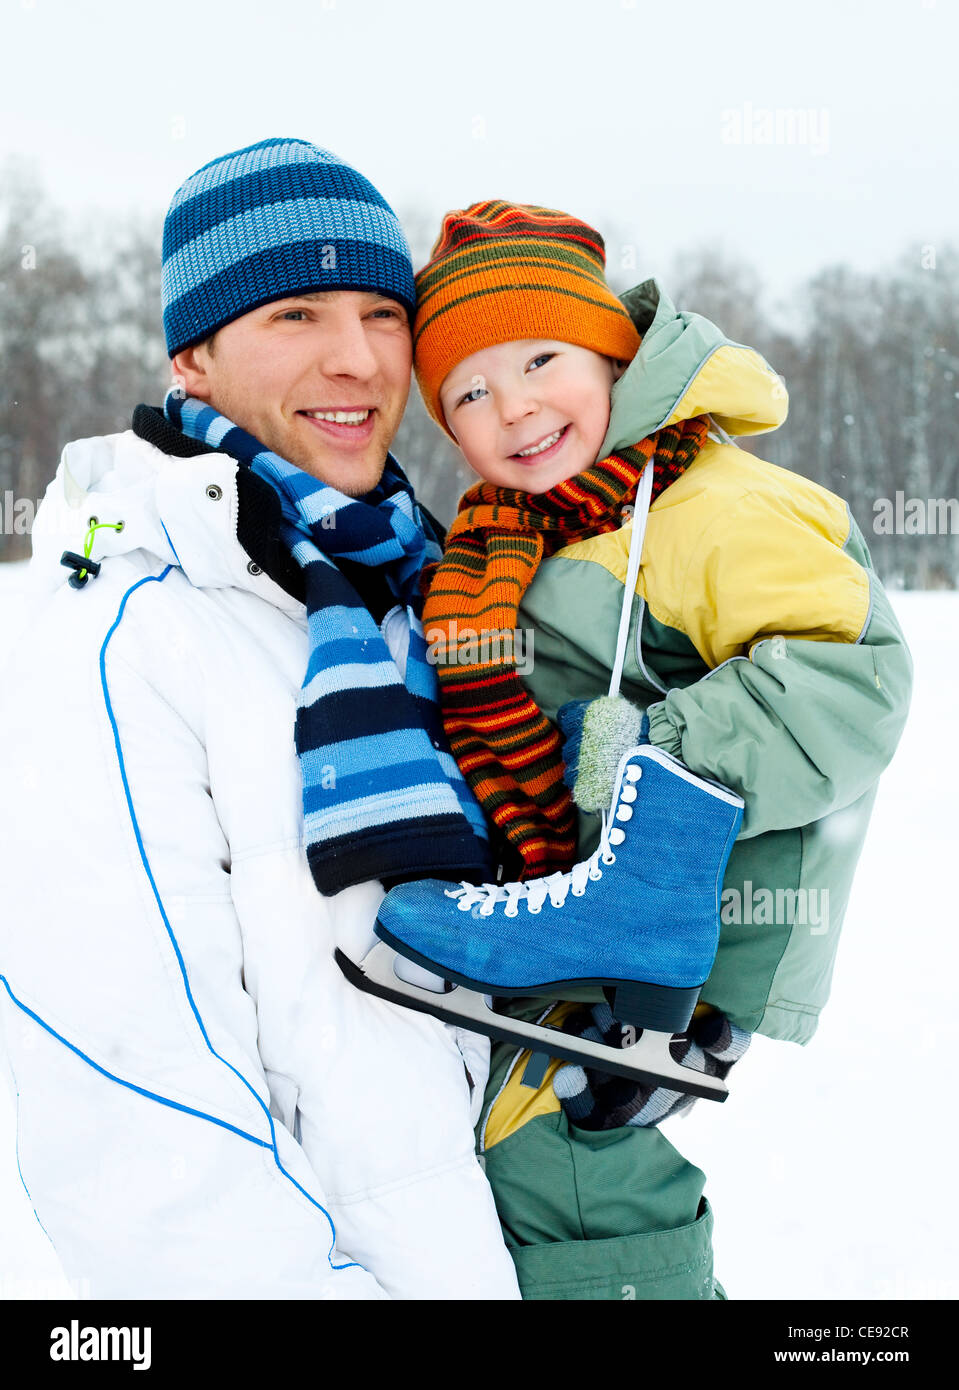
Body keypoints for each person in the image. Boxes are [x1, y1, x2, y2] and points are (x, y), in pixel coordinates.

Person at [0, 141, 521, 1300]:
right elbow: (138, 1113)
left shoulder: (438, 599)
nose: (355, 359)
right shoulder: (123, 638)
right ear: (192, 354)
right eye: (294, 312)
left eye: (383, 313)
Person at [366, 201, 915, 1299]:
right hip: (578, 916)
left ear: (612, 349)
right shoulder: (525, 531)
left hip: (683, 931)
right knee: (530, 1154)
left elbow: (852, 676)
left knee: (565, 1163)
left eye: (539, 358)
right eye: (467, 391)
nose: (510, 405)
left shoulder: (710, 506)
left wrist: (647, 755)